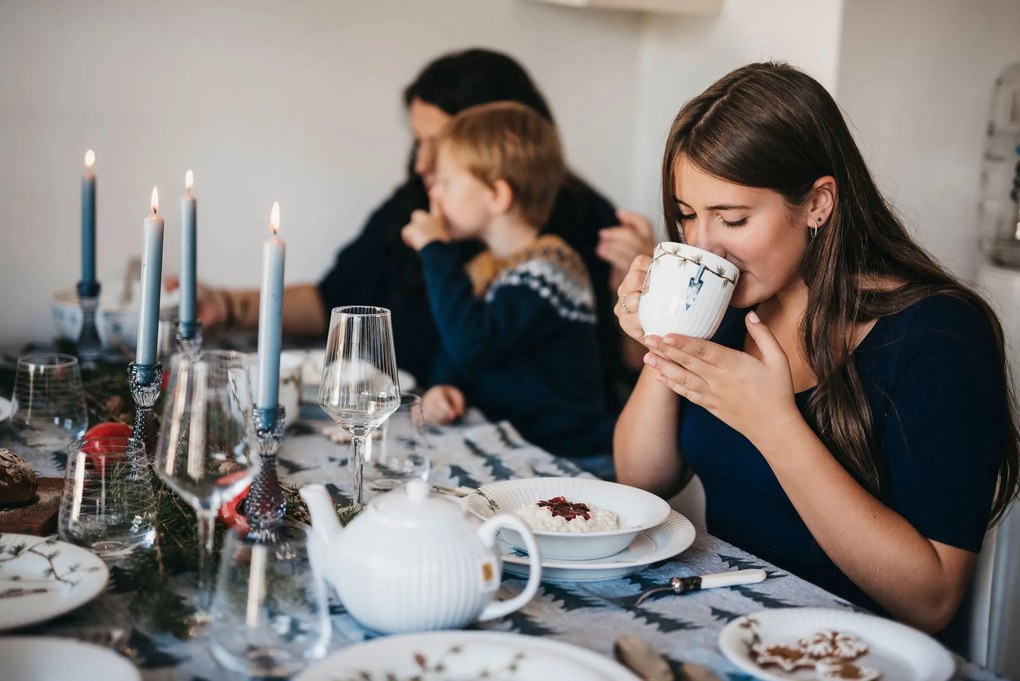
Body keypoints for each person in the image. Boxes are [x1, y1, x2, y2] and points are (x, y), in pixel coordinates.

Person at [612, 62, 1019, 633]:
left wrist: (774, 426)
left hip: (856, 652)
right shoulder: (731, 304)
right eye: (686, 216)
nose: (704, 247)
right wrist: (664, 334)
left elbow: (930, 600)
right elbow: (642, 482)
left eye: (733, 219)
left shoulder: (940, 335)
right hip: (729, 623)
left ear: (818, 204)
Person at [175, 48, 650, 404]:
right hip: (431, 417)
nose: (422, 164)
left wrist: (636, 296)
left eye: (438, 146)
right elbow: (336, 300)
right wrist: (228, 305)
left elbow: (621, 370)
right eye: (418, 141)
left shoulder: (578, 232)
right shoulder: (418, 199)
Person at [401, 101, 615, 478]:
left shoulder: (552, 269)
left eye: (446, 182)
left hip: (572, 461)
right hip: (513, 453)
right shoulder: (483, 267)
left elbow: (473, 339)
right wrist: (445, 386)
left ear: (497, 195)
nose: (434, 194)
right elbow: (456, 348)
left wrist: (435, 249)